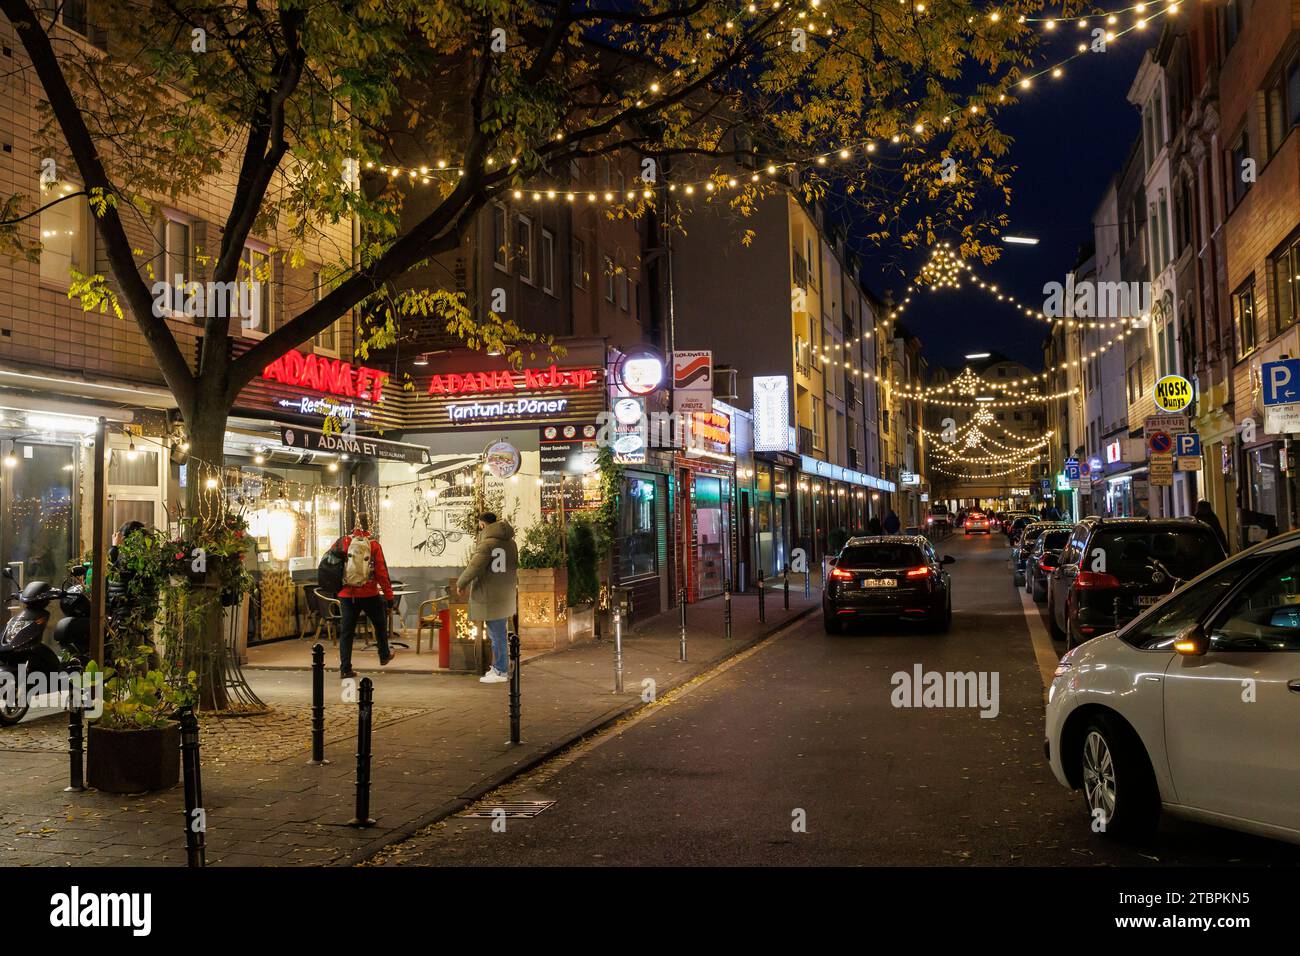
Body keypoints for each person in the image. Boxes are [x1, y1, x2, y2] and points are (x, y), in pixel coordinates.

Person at [456, 512, 519, 684]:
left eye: (479, 525)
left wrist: (461, 583)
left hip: (491, 595)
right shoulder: (512, 544)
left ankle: (500, 670)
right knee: (500, 632)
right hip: (506, 593)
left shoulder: (486, 545)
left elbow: (474, 567)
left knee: (496, 634)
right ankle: (501, 666)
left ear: (483, 525)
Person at [336, 513, 395, 679]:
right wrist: (389, 596)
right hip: (369, 593)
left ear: (354, 524)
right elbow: (382, 572)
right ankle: (383, 655)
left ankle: (345, 668)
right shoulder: (374, 544)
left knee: (346, 632)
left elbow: (332, 563)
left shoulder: (344, 542)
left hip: (347, 594)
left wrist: (336, 587)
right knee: (379, 623)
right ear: (369, 525)